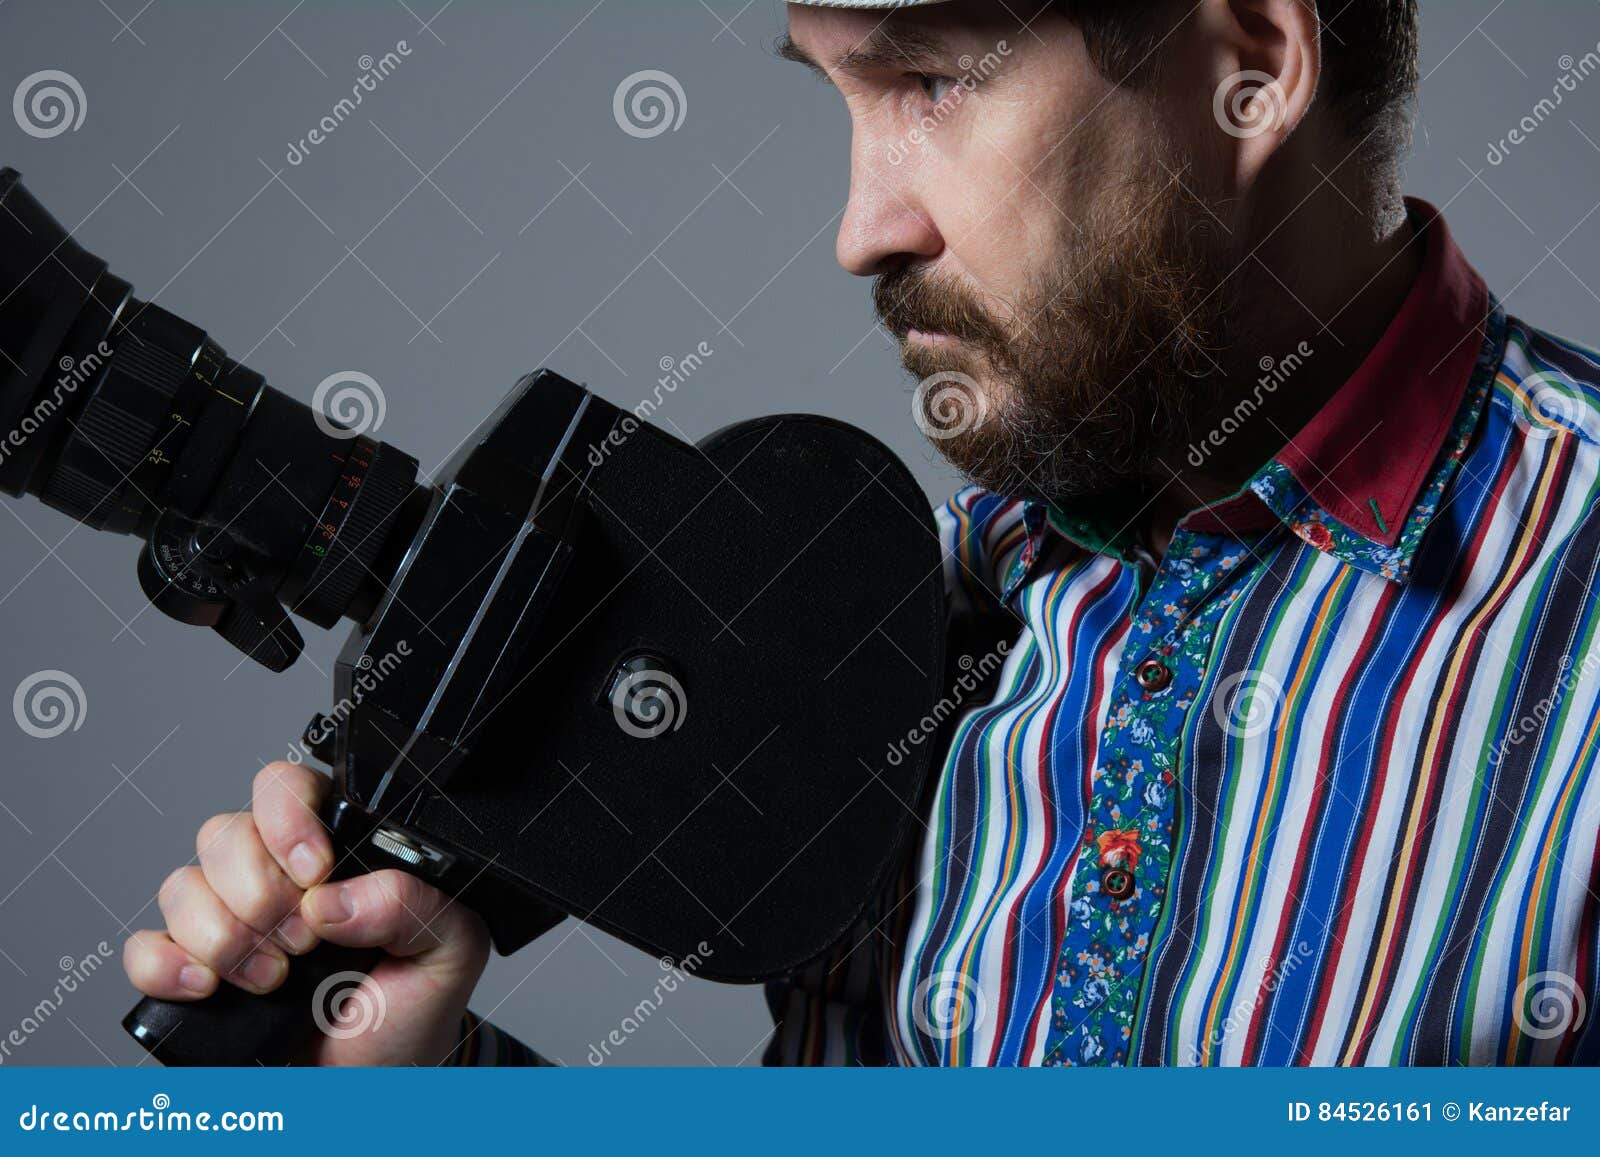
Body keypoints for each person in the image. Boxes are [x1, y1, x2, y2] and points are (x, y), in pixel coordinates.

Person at [124, 0, 1600, 1066]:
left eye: (935, 80)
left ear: (1252, 68)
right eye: (837, 93)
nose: (860, 225)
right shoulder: (923, 607)